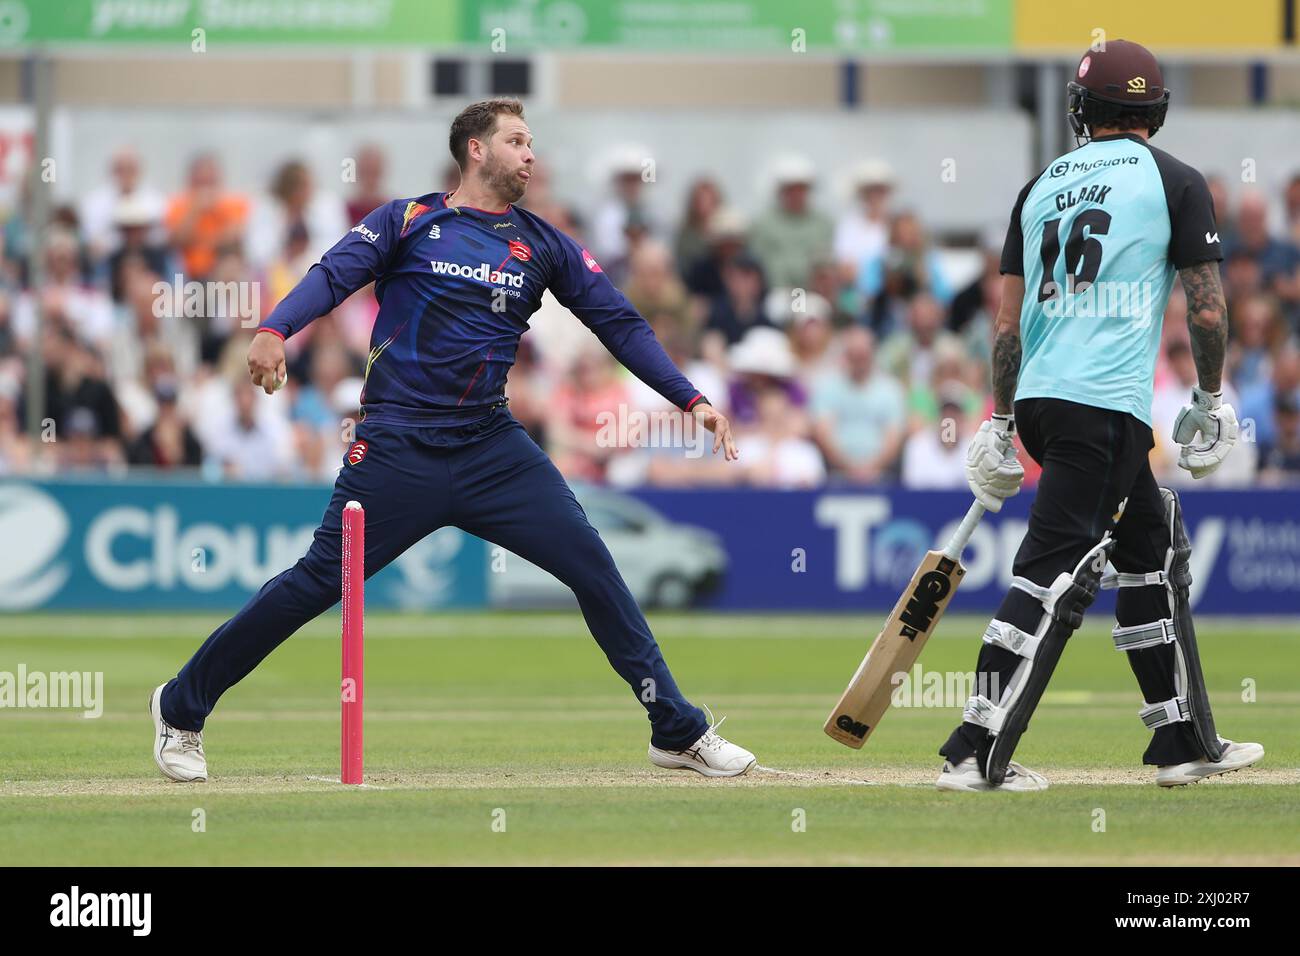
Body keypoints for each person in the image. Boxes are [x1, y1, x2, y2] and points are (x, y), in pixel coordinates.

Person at [149, 98, 755, 782]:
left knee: (593, 565)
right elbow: (330, 277)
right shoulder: (407, 220)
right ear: (476, 150)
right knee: (314, 585)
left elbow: (619, 323)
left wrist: (692, 397)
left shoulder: (544, 243)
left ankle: (675, 729)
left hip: (491, 448)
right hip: (397, 446)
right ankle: (180, 708)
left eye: (533, 142)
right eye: (517, 141)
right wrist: (273, 329)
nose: (532, 154)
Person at [939, 40, 1263, 793]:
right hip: (1104, 403)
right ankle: (973, 746)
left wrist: (1001, 418)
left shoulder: (1041, 184)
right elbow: (1207, 305)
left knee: (1152, 546)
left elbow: (1006, 325)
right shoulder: (1175, 179)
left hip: (1050, 402)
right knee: (1052, 574)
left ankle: (1182, 740)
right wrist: (1212, 400)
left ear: (1083, 110)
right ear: (1156, 110)